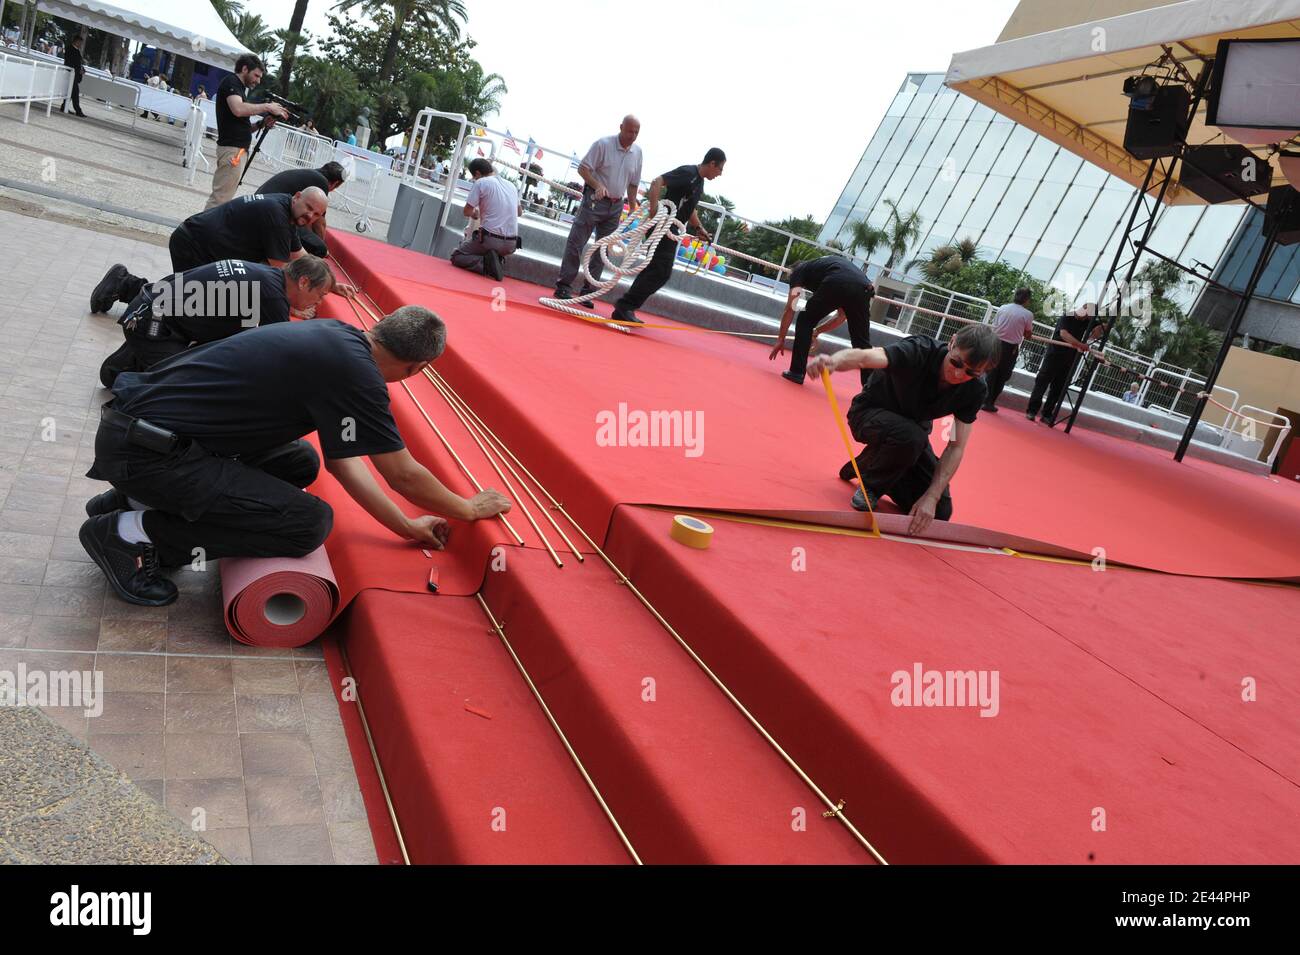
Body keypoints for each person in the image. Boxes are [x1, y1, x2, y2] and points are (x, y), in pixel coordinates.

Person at [79, 307, 513, 606]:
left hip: (135, 435)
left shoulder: (337, 337)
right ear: (418, 368)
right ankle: (128, 532)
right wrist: (468, 508)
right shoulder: (357, 374)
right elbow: (402, 475)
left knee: (300, 461)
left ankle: (134, 500)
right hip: (149, 454)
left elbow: (343, 463)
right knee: (307, 524)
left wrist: (405, 526)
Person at [808, 323, 1000, 536]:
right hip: (870, 414)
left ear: (983, 371)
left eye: (970, 372)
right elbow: (866, 357)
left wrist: (931, 497)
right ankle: (872, 484)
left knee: (940, 512)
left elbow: (955, 446)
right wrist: (834, 361)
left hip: (911, 436)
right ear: (952, 341)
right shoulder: (918, 350)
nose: (957, 374)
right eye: (956, 362)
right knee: (911, 437)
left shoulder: (974, 390)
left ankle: (867, 464)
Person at [98, 256, 338, 387]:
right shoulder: (273, 296)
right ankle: (133, 381)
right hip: (152, 324)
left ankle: (129, 363)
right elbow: (281, 354)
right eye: (320, 295)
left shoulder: (266, 275)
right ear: (304, 282)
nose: (318, 302)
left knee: (215, 355)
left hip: (148, 308)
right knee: (190, 389)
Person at [91, 189, 331, 313]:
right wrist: (294, 306)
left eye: (316, 214)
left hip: (201, 242)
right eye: (309, 208)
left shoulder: (285, 208)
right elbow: (281, 275)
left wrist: (328, 282)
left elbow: (299, 256)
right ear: (298, 197)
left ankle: (123, 285)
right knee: (189, 303)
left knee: (187, 299)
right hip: (195, 244)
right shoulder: (277, 216)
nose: (310, 216)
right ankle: (123, 285)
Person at [611, 148, 725, 325]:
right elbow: (658, 182)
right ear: (712, 164)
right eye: (720, 169)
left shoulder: (699, 182)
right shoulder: (688, 173)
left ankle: (625, 307)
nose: (720, 174)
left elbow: (690, 207)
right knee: (661, 271)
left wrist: (699, 228)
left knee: (655, 270)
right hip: (663, 228)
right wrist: (654, 211)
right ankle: (625, 305)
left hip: (671, 231)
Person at [553, 115, 643, 305]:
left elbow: (633, 184)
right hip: (595, 200)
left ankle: (588, 291)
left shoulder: (637, 153)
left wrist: (633, 206)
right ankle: (564, 285)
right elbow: (583, 169)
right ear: (621, 127)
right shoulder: (603, 144)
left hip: (617, 205)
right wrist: (598, 185)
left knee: (603, 249)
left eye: (636, 132)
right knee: (577, 241)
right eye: (629, 131)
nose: (633, 135)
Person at [769, 255, 874, 385]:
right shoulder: (822, 266)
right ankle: (871, 388)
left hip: (837, 281)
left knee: (805, 320)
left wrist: (781, 339)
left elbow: (791, 308)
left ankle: (797, 372)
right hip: (864, 287)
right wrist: (816, 331)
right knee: (862, 342)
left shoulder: (799, 271)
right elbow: (841, 316)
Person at [207, 54, 290, 210]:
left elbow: (240, 124)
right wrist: (267, 106)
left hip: (236, 150)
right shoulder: (231, 82)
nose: (258, 81)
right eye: (256, 75)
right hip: (233, 151)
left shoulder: (238, 88)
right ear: (245, 69)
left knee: (223, 199)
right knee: (220, 200)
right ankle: (200, 232)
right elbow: (238, 109)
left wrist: (260, 124)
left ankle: (204, 231)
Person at [1025, 304, 1105, 427]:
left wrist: (1101, 326)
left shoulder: (1088, 321)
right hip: (1054, 355)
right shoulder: (1067, 316)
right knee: (1042, 382)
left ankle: (1046, 414)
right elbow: (1063, 334)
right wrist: (1080, 344)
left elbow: (1098, 333)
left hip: (1070, 359)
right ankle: (1032, 411)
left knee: (1059, 388)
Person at [256, 161, 348, 257]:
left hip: (262, 205)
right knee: (319, 249)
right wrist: (322, 246)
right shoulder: (322, 183)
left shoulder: (309, 174)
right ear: (335, 184)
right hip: (271, 216)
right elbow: (319, 223)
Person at [450, 157, 521, 281]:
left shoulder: (481, 183)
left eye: (474, 177)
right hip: (511, 244)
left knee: (457, 255)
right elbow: (519, 212)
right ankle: (497, 259)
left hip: (490, 240)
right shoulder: (512, 186)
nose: (475, 179)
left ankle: (485, 263)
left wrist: (475, 214)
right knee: (481, 246)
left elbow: (467, 211)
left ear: (477, 173)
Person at [982, 287, 1036, 412]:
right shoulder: (1027, 314)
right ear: (1027, 299)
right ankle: (990, 402)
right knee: (1003, 375)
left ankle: (984, 400)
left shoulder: (1003, 308)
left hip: (995, 342)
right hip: (1010, 348)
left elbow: (995, 324)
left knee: (991, 372)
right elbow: (1028, 335)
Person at [60, 36, 86, 118]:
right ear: (75, 41)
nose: (80, 44)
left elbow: (78, 63)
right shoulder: (70, 49)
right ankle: (78, 110)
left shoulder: (76, 50)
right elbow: (70, 62)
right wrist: (78, 69)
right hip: (71, 74)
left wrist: (81, 69)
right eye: (79, 42)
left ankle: (64, 106)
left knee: (71, 92)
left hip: (75, 74)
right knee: (75, 92)